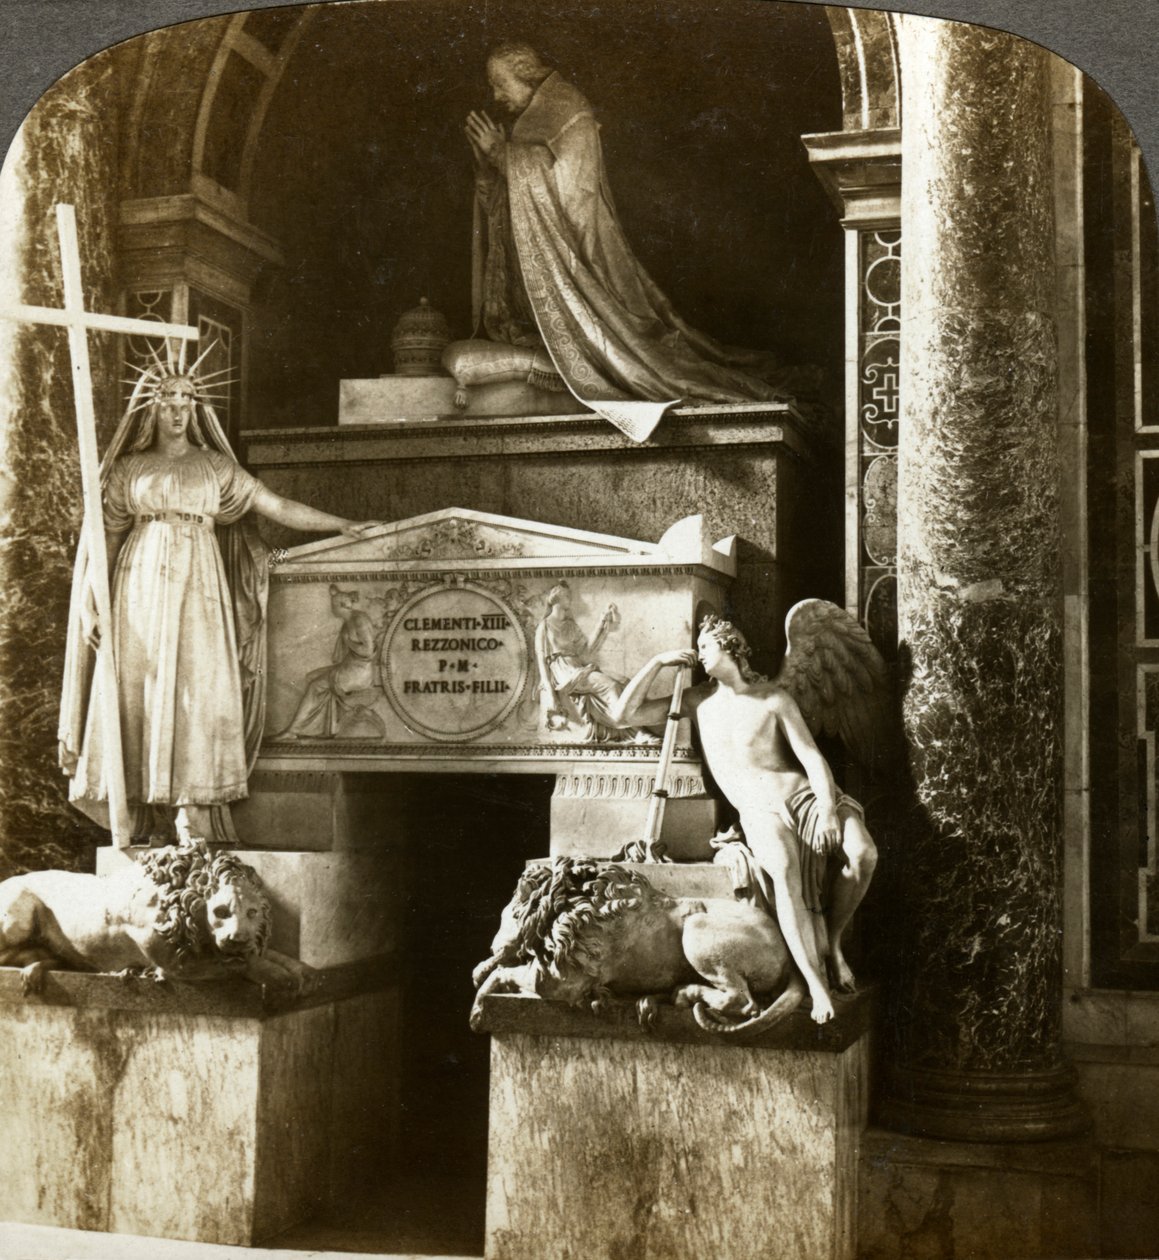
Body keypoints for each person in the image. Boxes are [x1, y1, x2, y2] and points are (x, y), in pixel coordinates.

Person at [58, 359, 379, 843]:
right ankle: (141, 808)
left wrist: (340, 524)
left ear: (196, 407)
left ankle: (193, 804)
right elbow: (103, 540)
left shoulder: (214, 466)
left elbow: (274, 505)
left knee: (198, 686)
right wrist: (88, 602)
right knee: (139, 685)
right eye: (167, 398)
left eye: (187, 398)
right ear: (150, 409)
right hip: (139, 584)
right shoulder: (128, 469)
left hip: (201, 586)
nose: (178, 408)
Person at [463, 42, 811, 418]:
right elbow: (508, 207)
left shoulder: (567, 109)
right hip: (540, 297)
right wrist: (489, 169)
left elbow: (574, 200)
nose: (495, 96)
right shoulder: (524, 125)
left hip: (587, 264)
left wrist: (504, 156)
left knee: (654, 358)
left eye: (500, 84)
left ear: (526, 76)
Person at [610, 615, 878, 1024]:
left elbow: (812, 758)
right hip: (758, 812)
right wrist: (659, 663)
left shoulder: (773, 698)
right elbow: (622, 715)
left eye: (706, 647)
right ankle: (816, 985)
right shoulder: (698, 701)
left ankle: (835, 941)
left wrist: (826, 808)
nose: (699, 656)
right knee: (785, 871)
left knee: (864, 855)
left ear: (730, 647)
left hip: (806, 797)